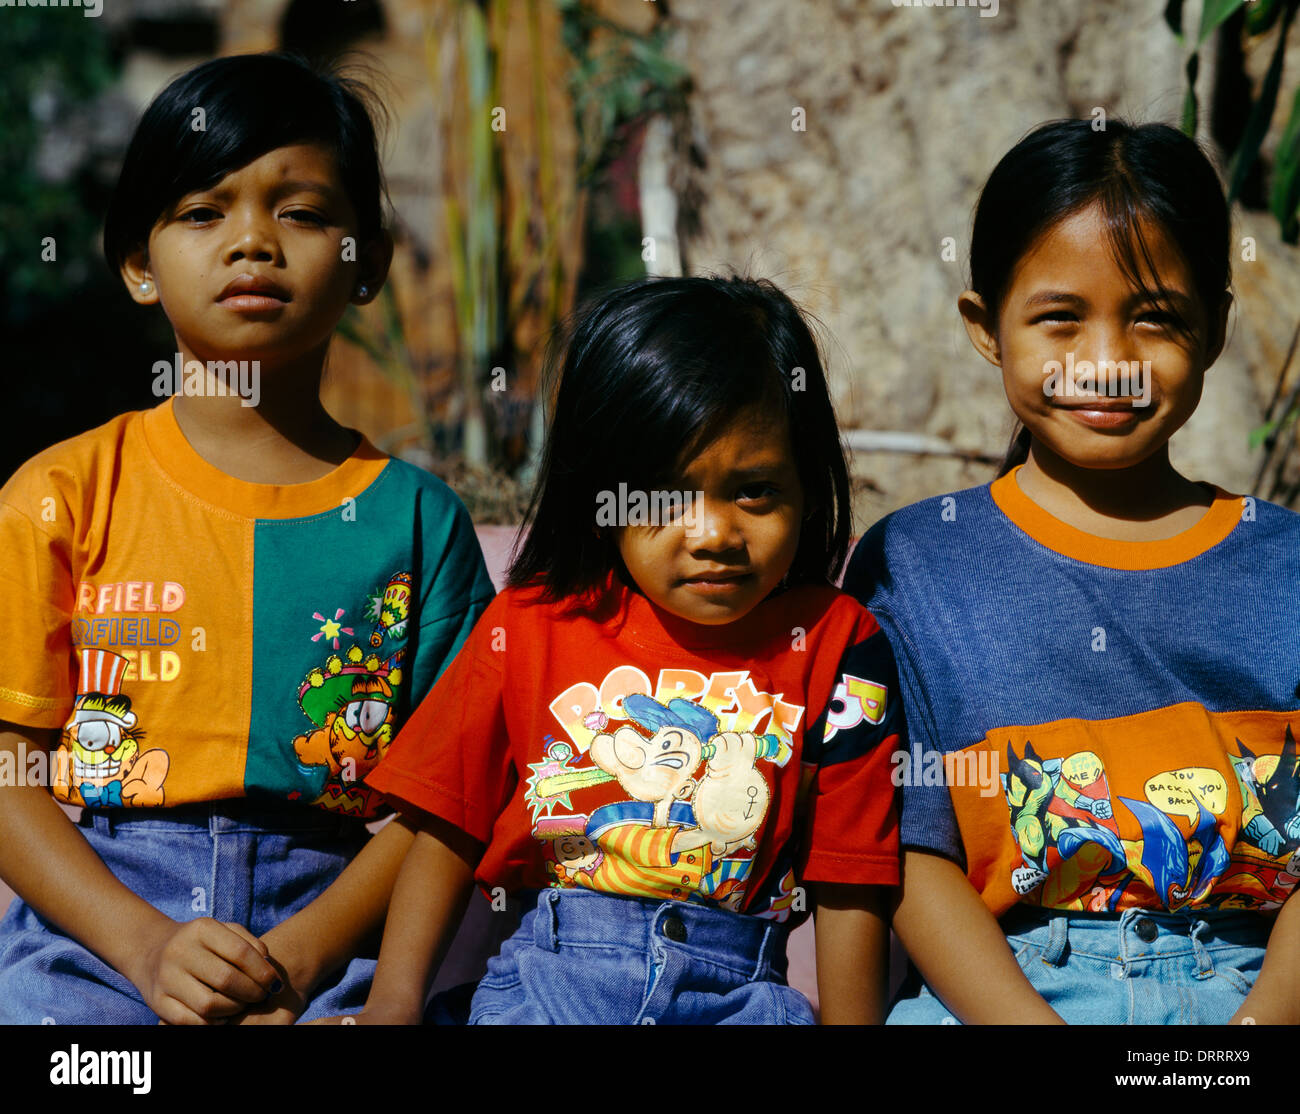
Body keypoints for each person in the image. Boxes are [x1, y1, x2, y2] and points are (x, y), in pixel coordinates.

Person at [0, 52, 494, 1024]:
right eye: (203, 211)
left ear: (370, 264)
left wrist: (306, 958)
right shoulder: (60, 494)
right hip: (96, 938)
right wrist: (145, 950)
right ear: (139, 263)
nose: (254, 242)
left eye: (303, 212)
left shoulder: (419, 524)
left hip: (340, 938)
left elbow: (445, 799)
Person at [343, 275, 902, 1024]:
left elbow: (850, 875)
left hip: (743, 994)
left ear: (809, 483)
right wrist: (391, 1007)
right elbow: (446, 827)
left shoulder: (841, 644)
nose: (714, 536)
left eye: (757, 491)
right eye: (666, 495)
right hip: (551, 982)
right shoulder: (529, 623)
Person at [843, 118, 1300, 1025]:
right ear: (986, 327)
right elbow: (910, 855)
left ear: (1213, 329)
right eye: (1060, 319)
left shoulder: (1282, 564)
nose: (1108, 365)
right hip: (1004, 992)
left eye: (1155, 318)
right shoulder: (916, 564)